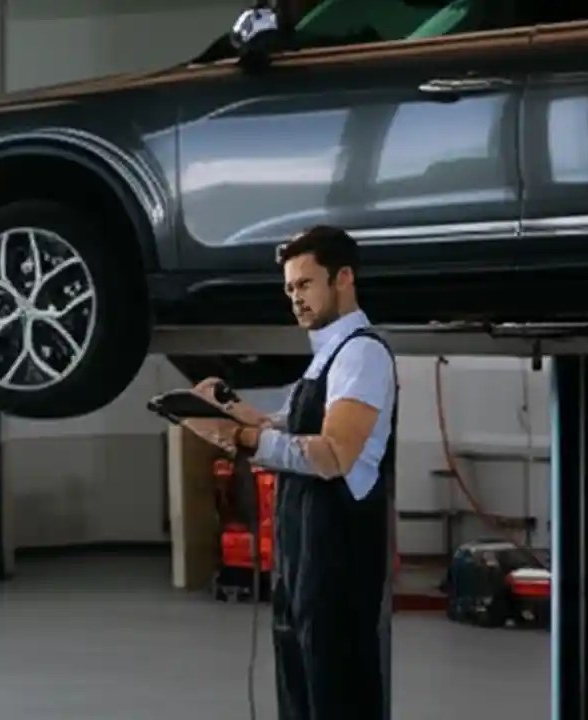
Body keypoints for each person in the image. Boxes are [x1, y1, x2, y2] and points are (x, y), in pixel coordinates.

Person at [180, 224, 399, 719]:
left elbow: (333, 454)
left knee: (336, 698)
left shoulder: (362, 353)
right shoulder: (325, 359)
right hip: (303, 566)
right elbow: (284, 426)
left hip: (339, 567)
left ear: (343, 278)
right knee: (300, 698)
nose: (295, 299)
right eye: (288, 289)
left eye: (304, 285)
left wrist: (240, 438)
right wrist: (224, 410)